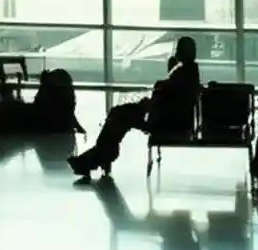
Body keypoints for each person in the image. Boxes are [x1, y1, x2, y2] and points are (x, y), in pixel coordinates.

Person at [67, 36, 202, 179]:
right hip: (165, 118)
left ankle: (101, 155)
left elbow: (166, 96)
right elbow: (169, 97)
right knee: (119, 114)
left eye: (177, 48)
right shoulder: (189, 73)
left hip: (164, 122)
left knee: (119, 115)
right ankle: (101, 155)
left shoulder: (183, 74)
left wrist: (148, 103)